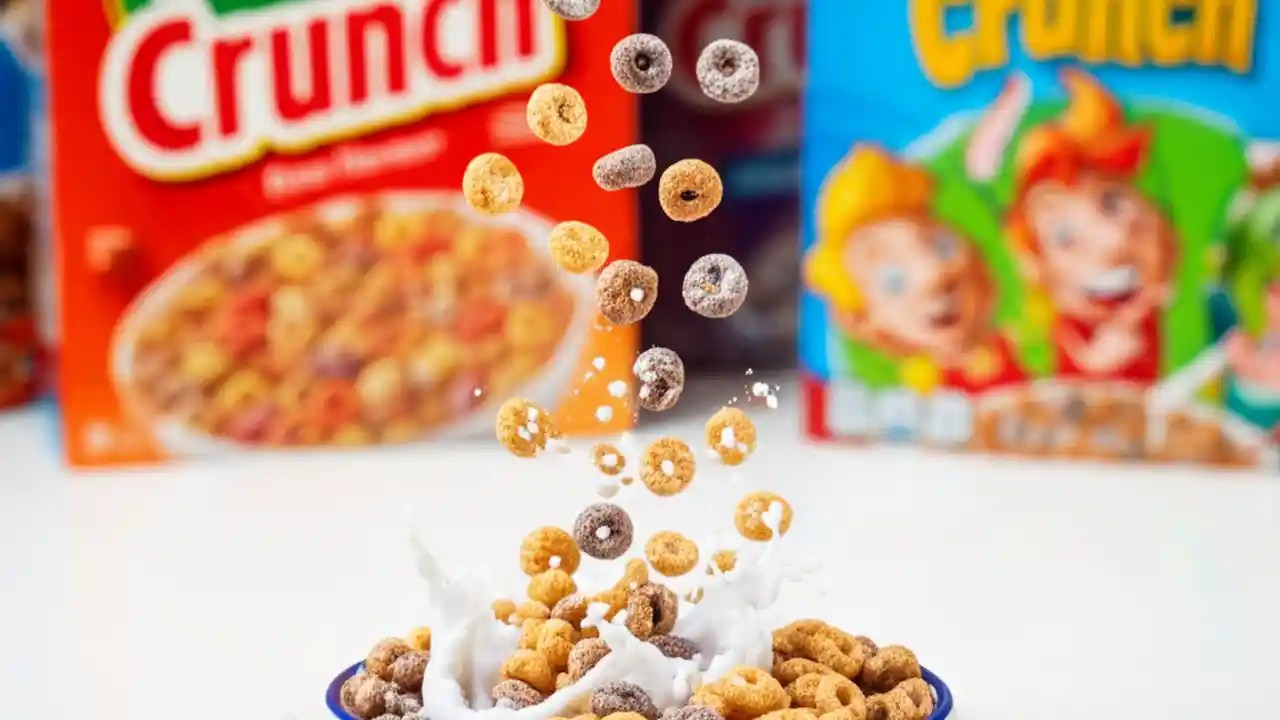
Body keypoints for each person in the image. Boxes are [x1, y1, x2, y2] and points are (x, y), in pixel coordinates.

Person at [806, 144, 1025, 394]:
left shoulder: (1025, 343)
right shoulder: (907, 389)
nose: (934, 273)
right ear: (864, 319)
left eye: (942, 246)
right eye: (894, 280)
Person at [1006, 69, 1176, 384]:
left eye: (1113, 204)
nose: (1114, 239)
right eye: (1064, 236)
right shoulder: (1065, 324)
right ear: (1038, 265)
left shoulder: (1147, 304)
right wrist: (1096, 362)